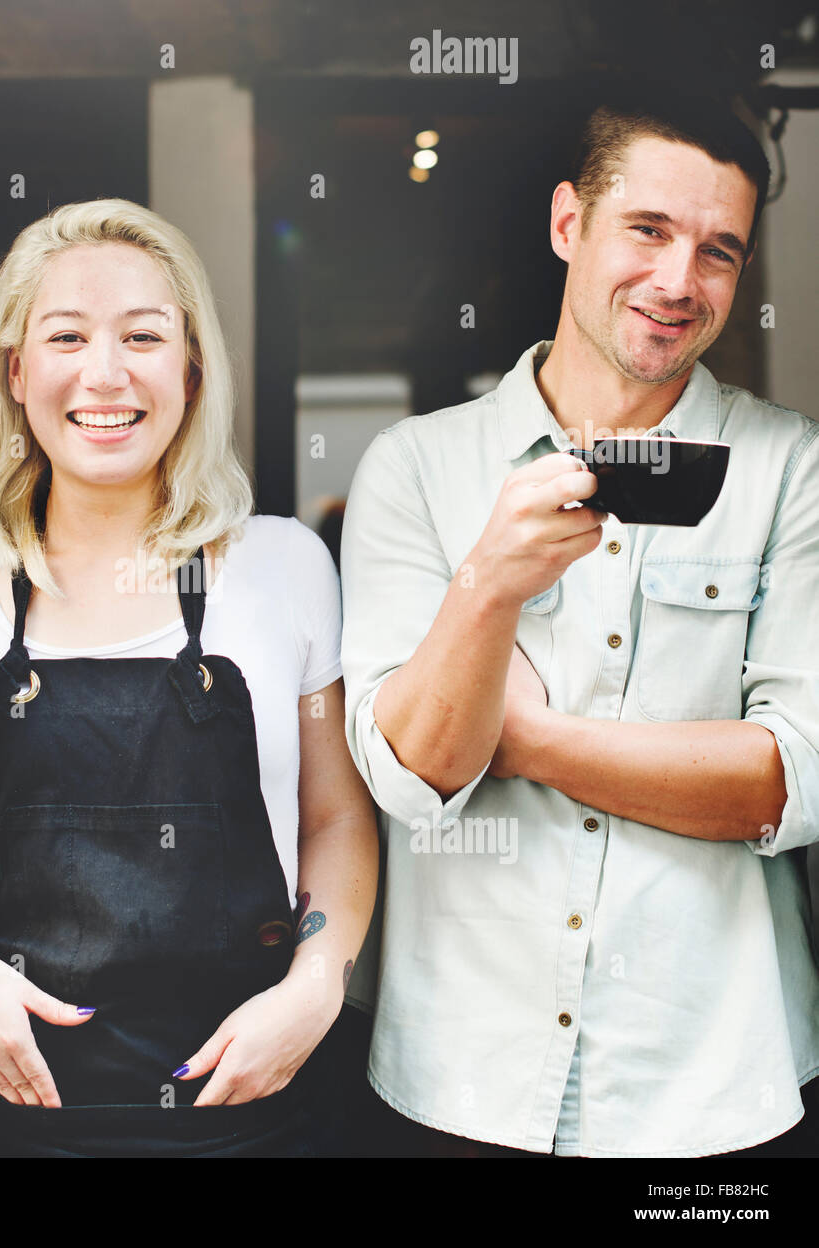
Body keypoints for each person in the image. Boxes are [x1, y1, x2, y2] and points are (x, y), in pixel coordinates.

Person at [340, 90, 819, 1158]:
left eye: (718, 252)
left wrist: (525, 738)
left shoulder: (794, 470)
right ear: (569, 223)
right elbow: (411, 778)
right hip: (458, 1077)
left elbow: (791, 781)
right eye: (648, 230)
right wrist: (485, 587)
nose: (678, 280)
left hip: (715, 1086)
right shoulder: (415, 468)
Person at [0, 198, 378, 1157]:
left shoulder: (285, 567)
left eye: (143, 336)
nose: (104, 374)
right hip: (13, 1106)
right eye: (66, 336)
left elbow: (337, 821)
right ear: (16, 371)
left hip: (255, 1102)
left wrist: (316, 991)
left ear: (191, 369)